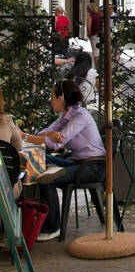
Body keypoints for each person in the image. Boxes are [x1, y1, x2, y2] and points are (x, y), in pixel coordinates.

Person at [24, 78, 107, 239]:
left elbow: (56, 142)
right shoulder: (66, 116)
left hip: (93, 168)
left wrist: (24, 136)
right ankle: (43, 218)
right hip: (78, 162)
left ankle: (52, 226)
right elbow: (45, 133)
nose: (50, 100)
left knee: (47, 178)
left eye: (52, 96)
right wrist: (46, 136)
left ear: (61, 98)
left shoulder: (80, 116)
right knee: (42, 160)